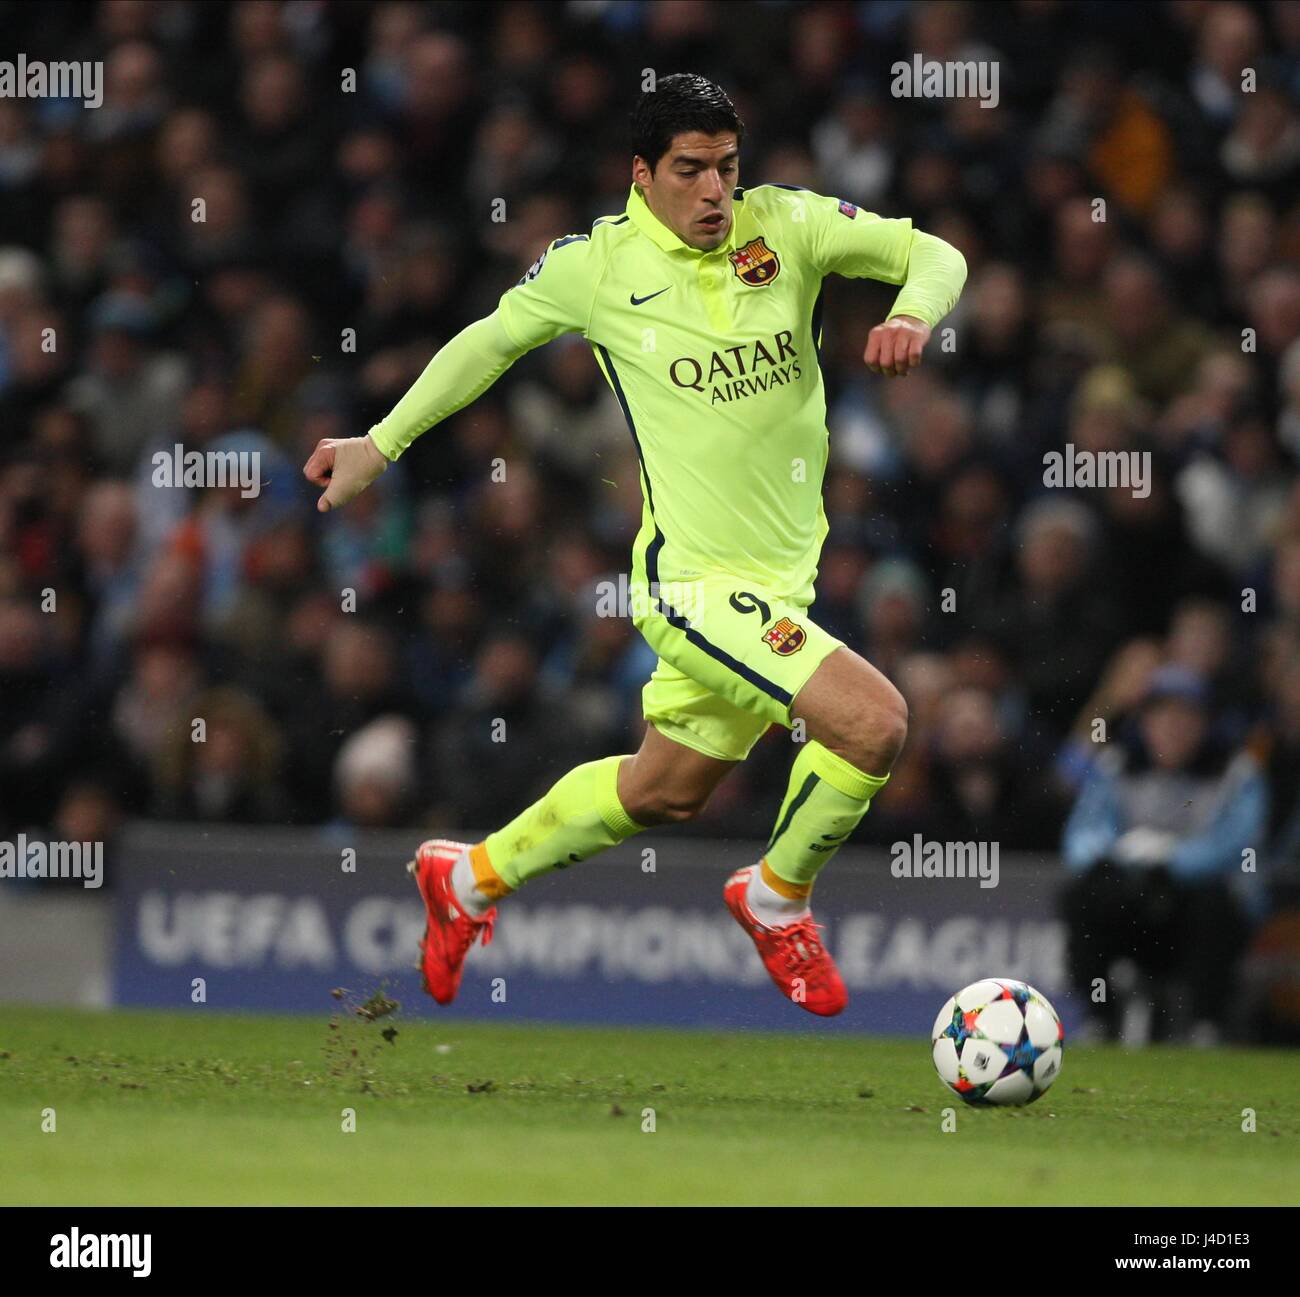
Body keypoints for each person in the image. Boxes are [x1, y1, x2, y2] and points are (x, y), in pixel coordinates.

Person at [303, 74, 966, 1017]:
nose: (713, 193)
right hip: (691, 587)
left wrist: (910, 313)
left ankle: (469, 876)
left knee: (662, 791)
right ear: (642, 175)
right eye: (690, 171)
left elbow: (934, 252)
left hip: (782, 585)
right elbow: (489, 343)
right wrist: (381, 443)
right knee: (874, 723)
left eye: (726, 170)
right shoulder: (597, 269)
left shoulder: (789, 226)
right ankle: (776, 897)